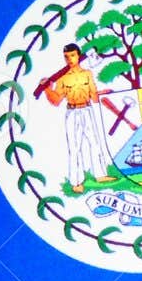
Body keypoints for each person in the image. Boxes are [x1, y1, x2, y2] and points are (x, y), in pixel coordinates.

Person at [40, 43, 113, 193]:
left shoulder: (87, 74)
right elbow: (56, 101)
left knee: (95, 142)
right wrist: (47, 89)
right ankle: (76, 182)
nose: (70, 59)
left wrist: (103, 93)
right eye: (66, 57)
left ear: (79, 56)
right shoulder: (62, 79)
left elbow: (93, 96)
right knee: (74, 147)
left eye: (72, 55)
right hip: (72, 113)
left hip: (87, 109)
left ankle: (100, 175)